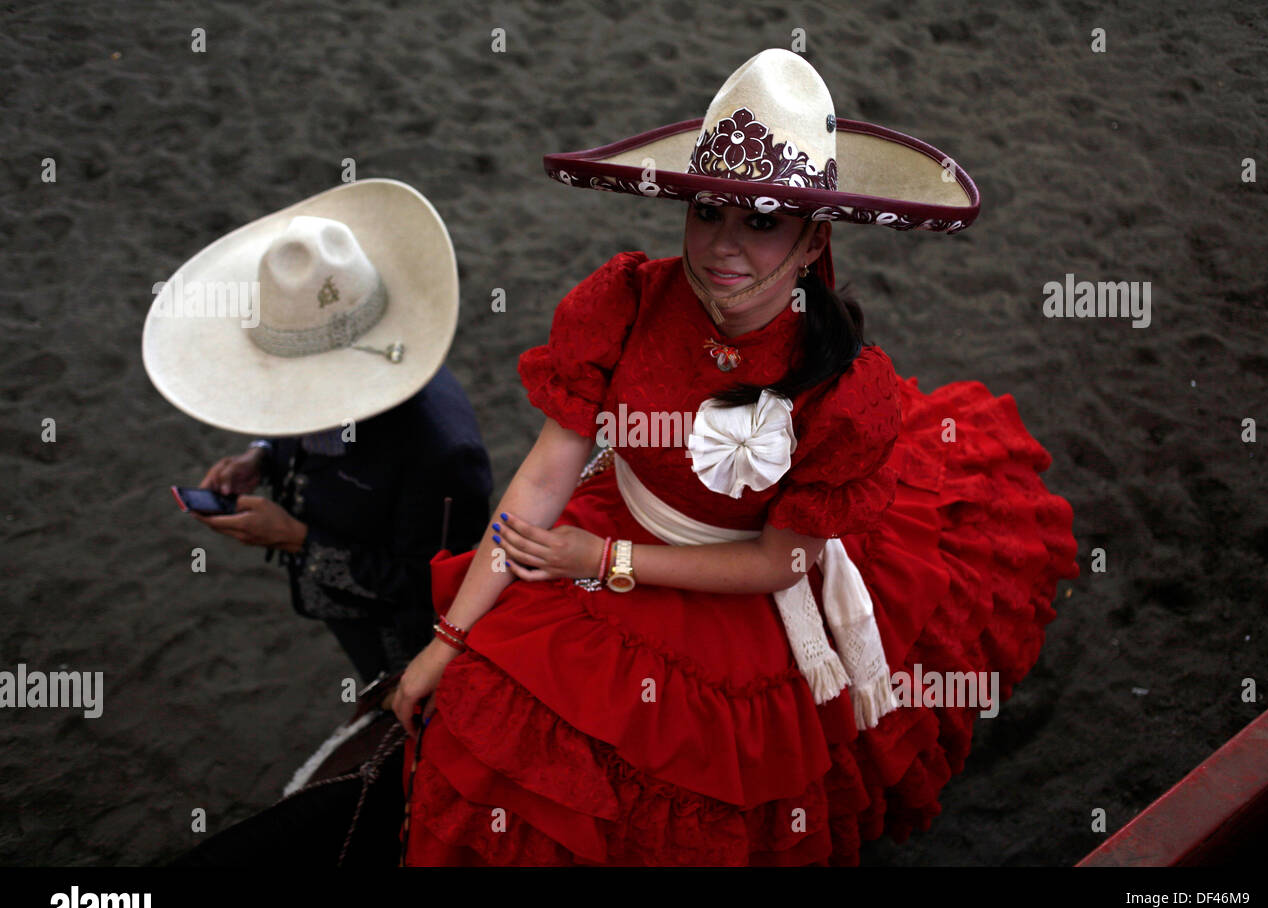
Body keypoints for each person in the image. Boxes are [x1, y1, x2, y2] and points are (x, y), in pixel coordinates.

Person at [393, 49, 1079, 866]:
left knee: (709, 794)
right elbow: (545, 472)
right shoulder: (624, 303)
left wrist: (603, 559)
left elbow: (780, 563)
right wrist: (450, 635)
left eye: (761, 222)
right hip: (612, 530)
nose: (723, 247)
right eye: (708, 211)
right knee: (490, 717)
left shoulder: (847, 392)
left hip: (734, 585)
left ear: (811, 239)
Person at [143, 179, 492, 687]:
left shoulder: (441, 453)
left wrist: (297, 540)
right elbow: (300, 413)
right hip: (344, 607)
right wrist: (261, 455)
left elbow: (438, 586)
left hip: (405, 636)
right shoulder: (352, 381)